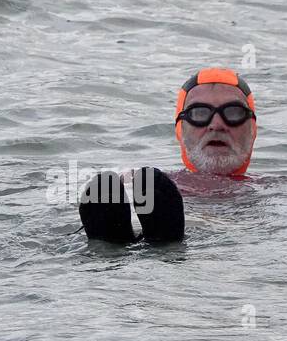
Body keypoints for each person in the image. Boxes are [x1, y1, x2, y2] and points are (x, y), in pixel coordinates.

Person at [78, 68, 257, 243]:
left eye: (234, 113)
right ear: (180, 129)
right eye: (199, 113)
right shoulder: (145, 182)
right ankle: (114, 241)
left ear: (252, 129)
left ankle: (159, 244)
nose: (216, 125)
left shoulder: (275, 189)